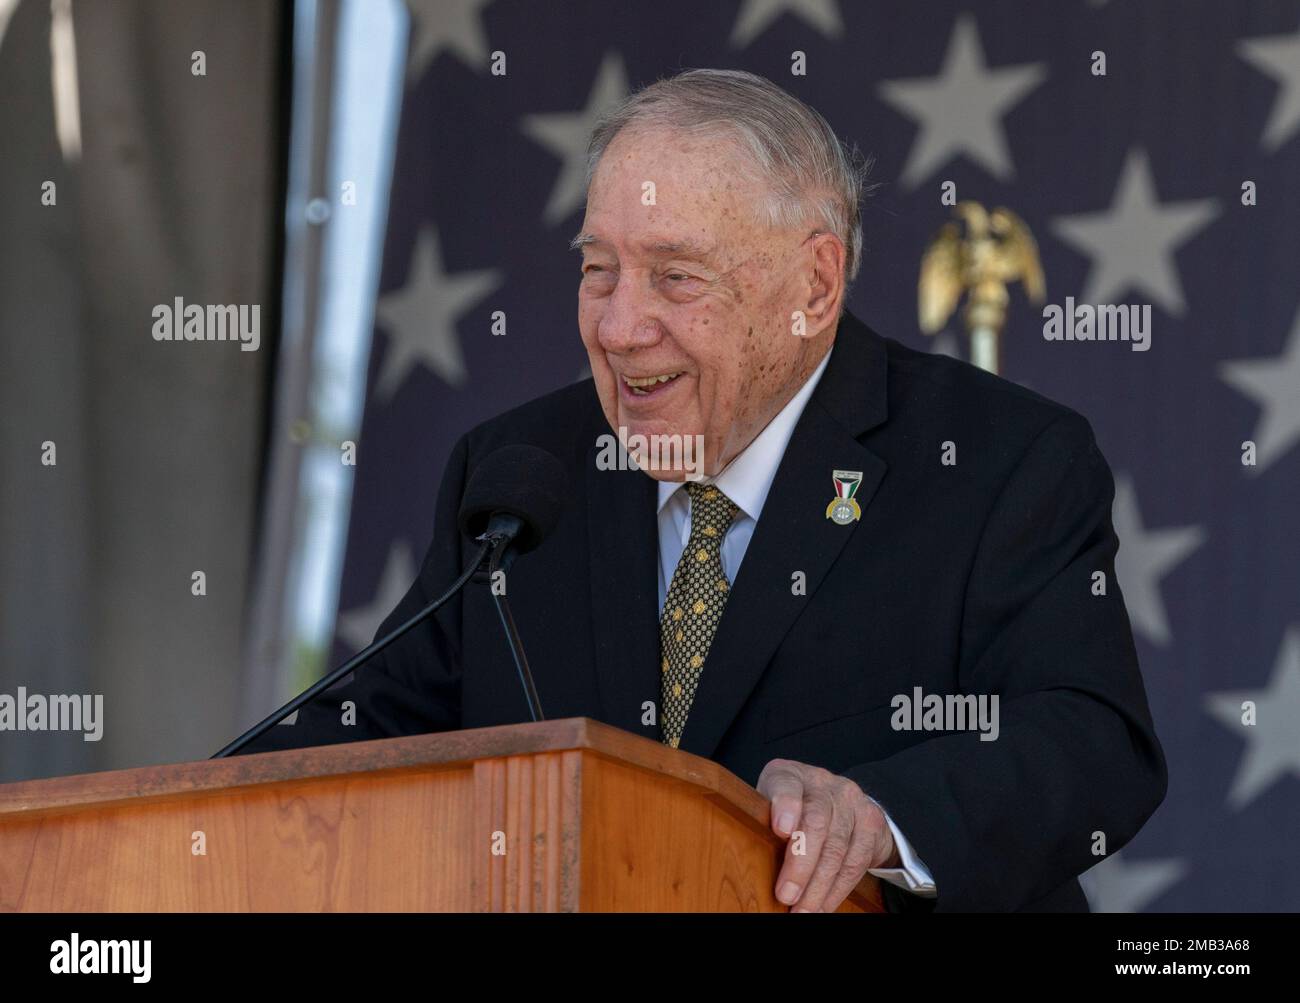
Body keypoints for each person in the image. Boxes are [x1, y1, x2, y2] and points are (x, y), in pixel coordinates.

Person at [240, 69, 1167, 913]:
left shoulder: (1001, 460)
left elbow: (1091, 739)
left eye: (674, 277)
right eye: (597, 269)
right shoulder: (520, 472)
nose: (617, 324)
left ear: (815, 281)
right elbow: (358, 734)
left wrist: (881, 814)